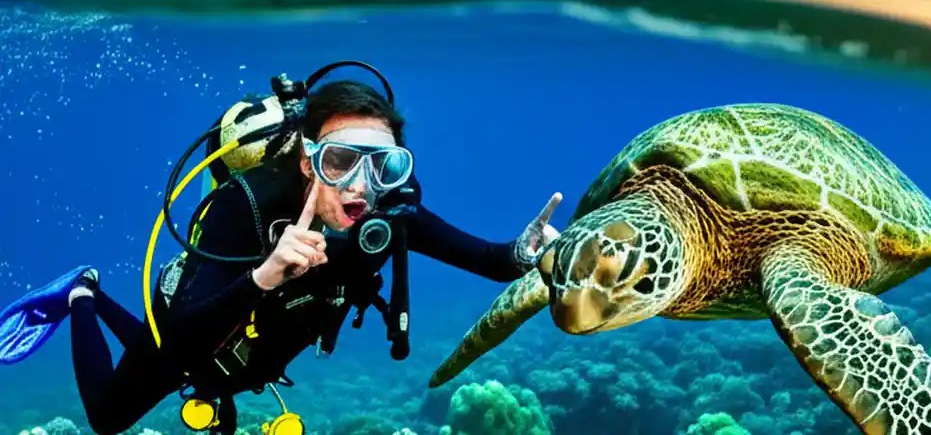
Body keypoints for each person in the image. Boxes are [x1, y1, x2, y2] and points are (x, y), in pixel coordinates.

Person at [0, 78, 561, 435]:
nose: (360, 187)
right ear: (306, 161)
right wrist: (263, 277)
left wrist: (524, 252)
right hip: (189, 329)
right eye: (341, 161)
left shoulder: (388, 216)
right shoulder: (241, 207)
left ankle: (96, 296)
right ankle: (81, 293)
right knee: (105, 418)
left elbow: (492, 260)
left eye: (384, 166)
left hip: (247, 359)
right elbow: (178, 348)